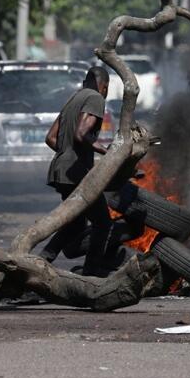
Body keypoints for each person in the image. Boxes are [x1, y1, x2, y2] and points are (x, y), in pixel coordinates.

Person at [40, 66, 116, 276]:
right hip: (76, 174)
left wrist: (66, 154)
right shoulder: (95, 99)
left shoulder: (74, 98)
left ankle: (42, 258)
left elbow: (50, 137)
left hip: (61, 170)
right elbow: (81, 133)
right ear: (105, 87)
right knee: (103, 222)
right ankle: (92, 273)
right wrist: (107, 151)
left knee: (74, 224)